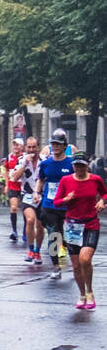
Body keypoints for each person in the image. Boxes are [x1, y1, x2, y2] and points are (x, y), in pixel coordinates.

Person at [53, 155, 106, 309]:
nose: (79, 169)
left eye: (82, 166)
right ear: (73, 166)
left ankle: (90, 292)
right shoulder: (66, 181)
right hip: (72, 227)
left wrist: (102, 201)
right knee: (76, 265)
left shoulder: (95, 179)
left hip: (90, 224)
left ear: (87, 166)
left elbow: (105, 193)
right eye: (76, 166)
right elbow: (56, 202)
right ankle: (82, 294)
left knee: (85, 259)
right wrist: (66, 199)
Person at [36, 130, 76, 279]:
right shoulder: (46, 163)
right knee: (53, 235)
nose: (56, 146)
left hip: (68, 205)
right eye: (53, 144)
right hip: (50, 204)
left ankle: (74, 261)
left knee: (69, 235)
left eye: (58, 144)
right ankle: (56, 266)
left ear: (64, 145)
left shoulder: (71, 164)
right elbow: (40, 179)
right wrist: (36, 192)